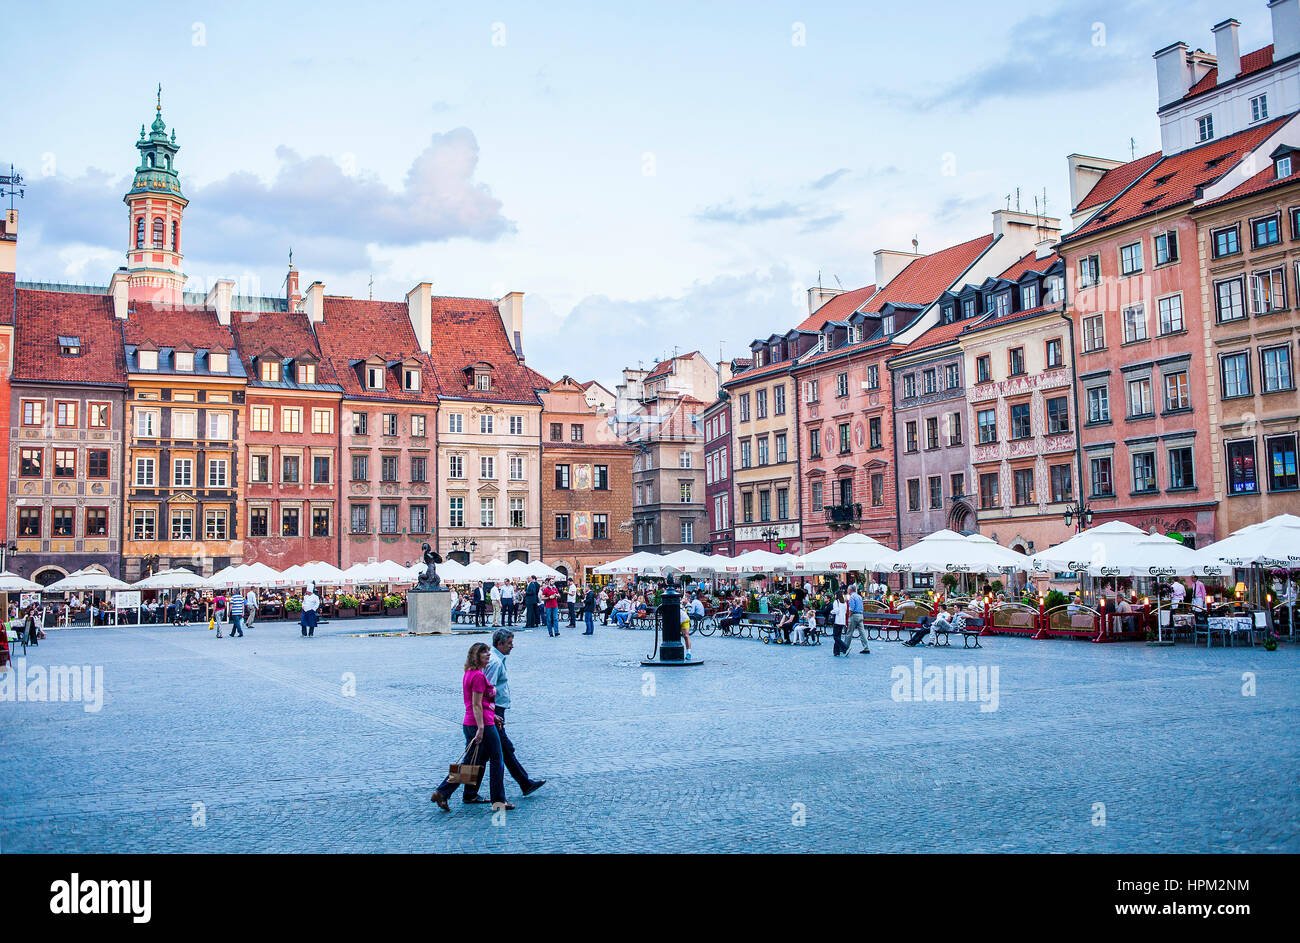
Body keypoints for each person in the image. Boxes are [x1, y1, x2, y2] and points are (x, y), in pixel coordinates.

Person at [461, 629, 546, 804]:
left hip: (478, 717)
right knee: (497, 754)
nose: (512, 646)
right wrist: (489, 719)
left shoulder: (475, 670)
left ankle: (466, 793)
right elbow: (483, 696)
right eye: (509, 643)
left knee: (478, 756)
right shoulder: (489, 666)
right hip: (485, 716)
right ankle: (498, 798)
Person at [431, 642, 514, 812]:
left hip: (472, 722)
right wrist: (482, 728)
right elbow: (476, 705)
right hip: (481, 724)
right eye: (484, 653)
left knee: (470, 763)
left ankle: (443, 792)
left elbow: (480, 703)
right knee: (497, 761)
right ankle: (499, 801)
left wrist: (493, 715)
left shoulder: (469, 673)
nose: (488, 655)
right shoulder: (477, 676)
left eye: (488, 653)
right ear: (476, 656)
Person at [845, 585, 870, 654]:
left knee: (849, 632)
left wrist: (849, 616)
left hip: (854, 615)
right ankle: (866, 647)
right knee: (862, 632)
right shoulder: (859, 596)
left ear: (850, 590)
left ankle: (845, 647)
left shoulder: (852, 597)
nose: (847, 590)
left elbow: (851, 608)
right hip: (860, 615)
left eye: (847, 589)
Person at [831, 591, 848, 655]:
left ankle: (845, 647)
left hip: (837, 620)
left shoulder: (836, 602)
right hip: (842, 621)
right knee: (838, 636)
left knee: (835, 636)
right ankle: (836, 651)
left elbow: (836, 611)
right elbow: (845, 611)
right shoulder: (844, 602)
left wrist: (831, 612)